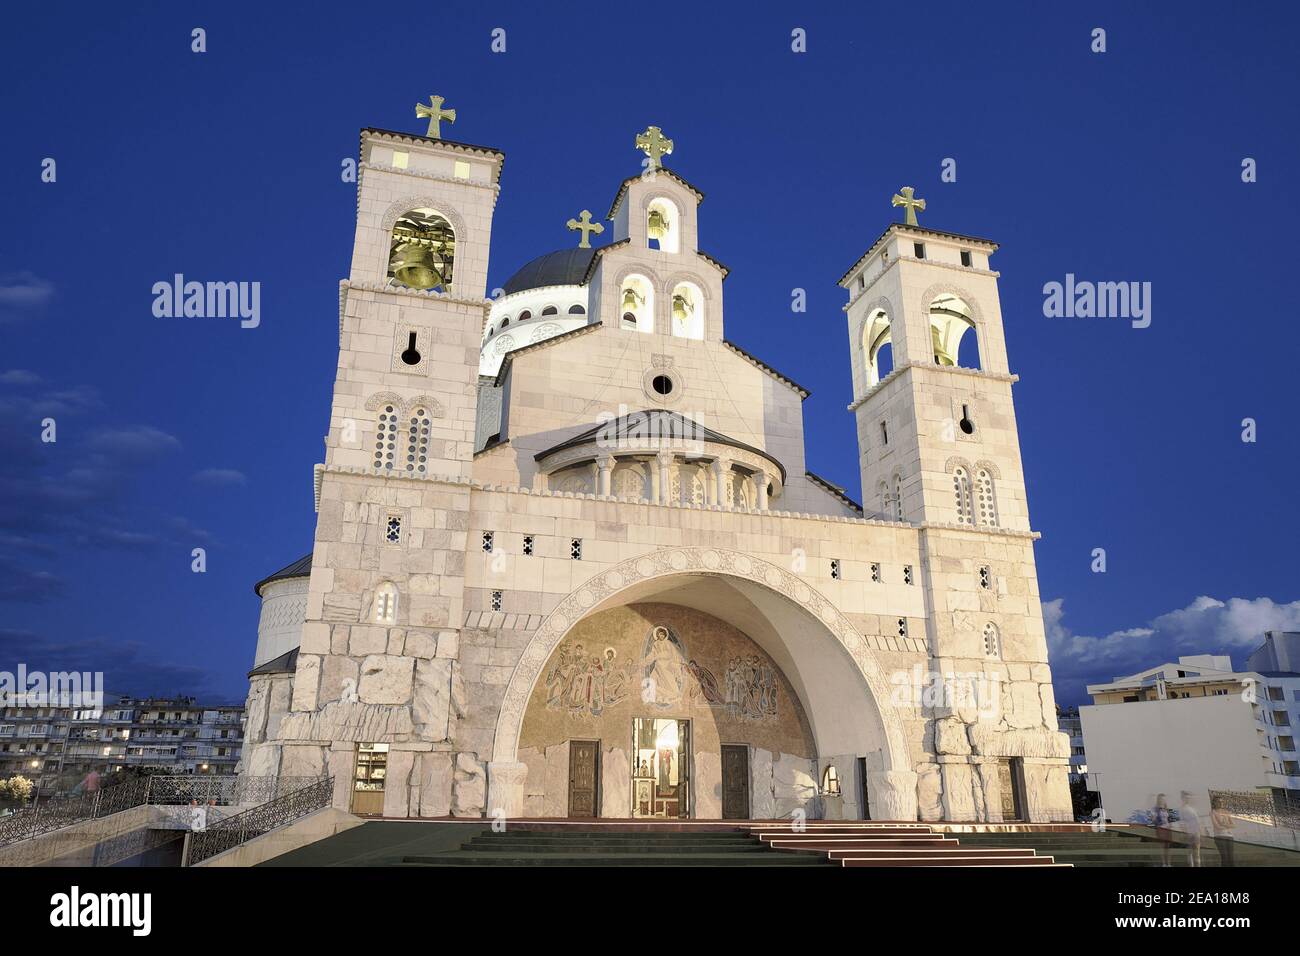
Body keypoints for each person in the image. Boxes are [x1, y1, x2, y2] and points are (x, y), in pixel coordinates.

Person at [1179, 791, 1203, 867]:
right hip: (1189, 833)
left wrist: (1200, 831)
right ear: (1183, 798)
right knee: (1190, 852)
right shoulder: (1182, 809)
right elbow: (1182, 823)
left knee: (1197, 853)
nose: (1188, 799)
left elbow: (1198, 821)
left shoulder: (1193, 809)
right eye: (1186, 798)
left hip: (1196, 833)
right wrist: (1185, 832)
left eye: (1188, 798)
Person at [1211, 801, 1236, 867]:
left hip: (1229, 836)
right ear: (1214, 803)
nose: (1221, 803)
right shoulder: (1213, 812)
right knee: (1224, 857)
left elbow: (1234, 825)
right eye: (1218, 802)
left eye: (1222, 802)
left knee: (1231, 858)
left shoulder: (1226, 812)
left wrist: (1224, 824)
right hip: (1219, 836)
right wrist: (1228, 825)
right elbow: (1217, 827)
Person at [1151, 793, 1172, 866]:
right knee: (1162, 847)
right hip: (1160, 828)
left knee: (1168, 847)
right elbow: (1153, 819)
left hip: (1167, 829)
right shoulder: (1155, 808)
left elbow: (1168, 818)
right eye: (1162, 798)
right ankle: (1164, 864)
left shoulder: (1166, 808)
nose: (1163, 800)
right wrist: (1155, 818)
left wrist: (1170, 825)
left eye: (1164, 798)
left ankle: (1168, 863)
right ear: (1159, 799)